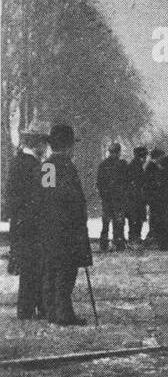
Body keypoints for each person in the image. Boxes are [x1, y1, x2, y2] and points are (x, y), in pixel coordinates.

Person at [34, 124, 93, 325]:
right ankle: (63, 315)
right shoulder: (64, 165)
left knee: (52, 270)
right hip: (65, 230)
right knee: (66, 271)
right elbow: (61, 198)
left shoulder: (48, 166)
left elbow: (46, 197)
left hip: (50, 229)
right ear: (68, 146)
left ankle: (53, 312)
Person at [5, 124, 48, 319]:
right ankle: (30, 309)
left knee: (32, 266)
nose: (46, 147)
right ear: (37, 144)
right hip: (32, 223)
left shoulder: (19, 162)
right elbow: (42, 195)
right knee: (34, 266)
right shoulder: (35, 165)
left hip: (23, 222)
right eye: (44, 143)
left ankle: (31, 307)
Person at [95, 142, 128, 251]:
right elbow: (126, 181)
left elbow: (99, 182)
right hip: (118, 198)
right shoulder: (122, 164)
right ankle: (118, 242)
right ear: (119, 152)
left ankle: (104, 243)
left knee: (106, 222)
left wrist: (104, 194)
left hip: (107, 198)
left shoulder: (103, 165)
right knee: (119, 222)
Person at [152, 155, 168, 249]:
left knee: (162, 223)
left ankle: (163, 242)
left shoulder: (158, 174)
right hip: (166, 203)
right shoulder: (167, 175)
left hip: (160, 203)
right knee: (165, 224)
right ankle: (164, 244)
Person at [125, 145, 148, 244]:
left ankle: (134, 238)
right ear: (141, 156)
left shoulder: (133, 166)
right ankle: (134, 239)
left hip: (134, 199)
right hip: (136, 199)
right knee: (136, 220)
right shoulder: (136, 167)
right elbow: (138, 183)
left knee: (134, 220)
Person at [142, 148, 164, 244]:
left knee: (155, 216)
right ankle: (152, 236)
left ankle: (153, 236)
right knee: (155, 216)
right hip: (154, 196)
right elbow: (151, 181)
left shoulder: (151, 166)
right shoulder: (152, 166)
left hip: (153, 196)